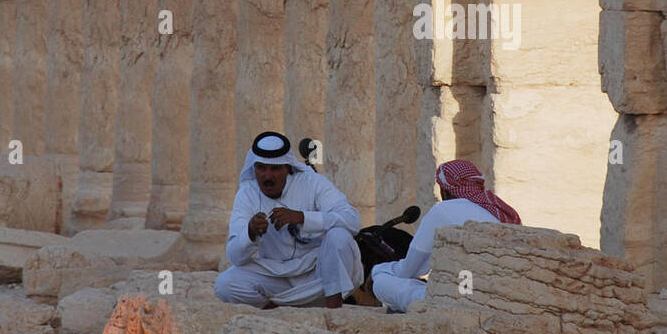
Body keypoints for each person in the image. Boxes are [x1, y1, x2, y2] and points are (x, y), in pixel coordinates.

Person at [215, 131, 362, 309]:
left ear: (288, 167)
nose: (268, 176)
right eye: (261, 168)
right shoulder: (247, 194)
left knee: (339, 236)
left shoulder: (312, 182)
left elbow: (352, 220)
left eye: (275, 169)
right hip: (276, 275)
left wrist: (302, 217)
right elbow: (234, 257)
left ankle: (333, 310)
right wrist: (250, 233)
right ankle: (277, 312)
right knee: (225, 284)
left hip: (317, 272)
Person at [371, 159, 521, 312]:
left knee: (382, 282)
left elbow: (411, 270)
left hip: (463, 298)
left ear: (445, 190)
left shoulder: (443, 210)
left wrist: (381, 270)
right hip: (500, 297)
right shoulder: (497, 212)